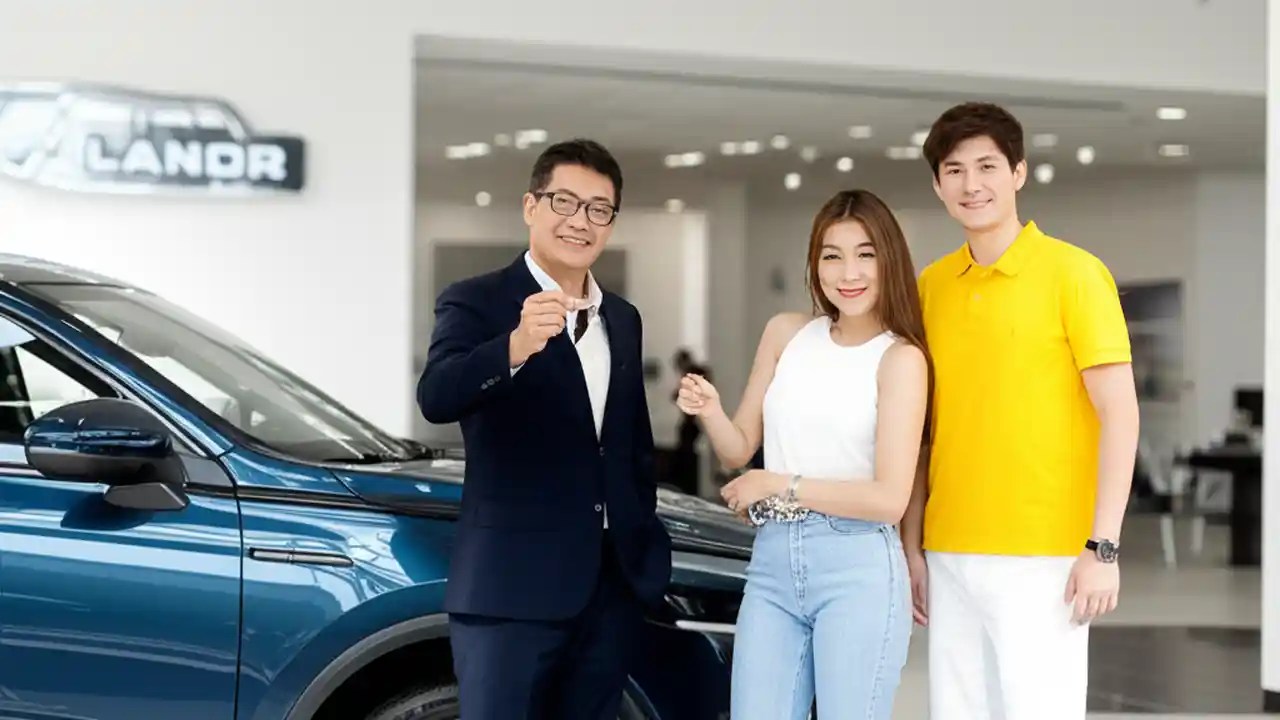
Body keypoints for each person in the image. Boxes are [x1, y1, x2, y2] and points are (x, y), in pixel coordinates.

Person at [417, 138, 672, 719]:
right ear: (531, 207)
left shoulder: (623, 319)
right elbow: (437, 396)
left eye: (598, 209)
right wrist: (514, 346)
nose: (579, 221)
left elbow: (628, 443)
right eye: (564, 202)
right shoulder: (476, 300)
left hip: (610, 589)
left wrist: (642, 550)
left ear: (610, 223)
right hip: (511, 588)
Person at [902, 102, 1140, 720]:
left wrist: (1103, 547)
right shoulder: (930, 286)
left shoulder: (1075, 274)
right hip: (949, 549)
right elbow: (924, 431)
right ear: (937, 185)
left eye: (987, 166)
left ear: (1019, 173)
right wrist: (912, 544)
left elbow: (1120, 414)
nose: (971, 184)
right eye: (954, 170)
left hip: (1045, 555)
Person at [677, 189, 929, 719]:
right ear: (815, 264)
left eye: (865, 253)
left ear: (890, 260)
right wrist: (710, 409)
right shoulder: (786, 333)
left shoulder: (901, 359)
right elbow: (737, 449)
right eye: (831, 255)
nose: (848, 272)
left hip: (857, 566)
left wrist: (778, 484)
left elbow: (888, 499)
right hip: (773, 562)